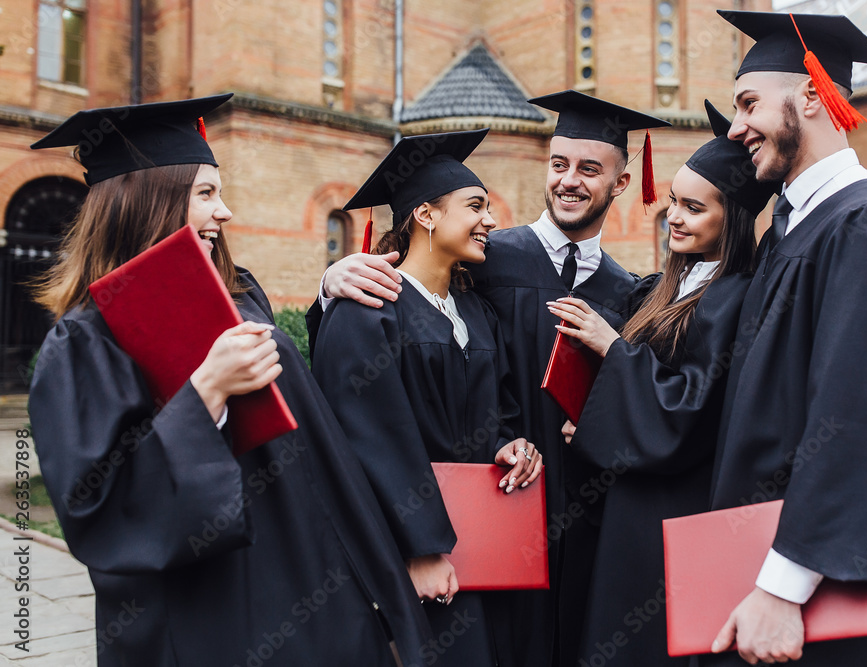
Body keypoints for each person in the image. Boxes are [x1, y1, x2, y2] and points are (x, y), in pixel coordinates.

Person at [27, 94, 433, 666]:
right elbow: (101, 513)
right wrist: (204, 396)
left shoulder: (235, 297)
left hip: (322, 586)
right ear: (149, 202)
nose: (226, 212)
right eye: (206, 194)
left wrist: (327, 289)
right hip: (219, 622)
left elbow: (305, 415)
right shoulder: (86, 344)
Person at [310, 91, 670, 666]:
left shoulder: (628, 293)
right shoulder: (486, 260)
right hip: (483, 529)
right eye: (558, 164)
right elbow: (370, 391)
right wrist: (331, 283)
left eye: (589, 169)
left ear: (621, 184)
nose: (569, 180)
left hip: (587, 531)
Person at [702, 11, 867, 666]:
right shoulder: (793, 230)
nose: (735, 127)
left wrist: (783, 586)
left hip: (819, 591)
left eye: (749, 103)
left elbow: (863, 417)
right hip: (762, 572)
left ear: (810, 94)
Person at [548, 101, 777, 666]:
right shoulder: (668, 286)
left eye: (694, 208)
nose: (674, 216)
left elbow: (691, 409)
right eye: (674, 200)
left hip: (670, 513)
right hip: (634, 504)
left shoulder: (732, 298)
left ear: (734, 219)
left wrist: (611, 347)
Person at [310, 128, 545, 667]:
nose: (490, 220)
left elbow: (499, 412)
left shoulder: (476, 313)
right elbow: (369, 442)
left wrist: (511, 445)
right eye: (475, 206)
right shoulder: (367, 310)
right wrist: (419, 549)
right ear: (426, 215)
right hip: (411, 555)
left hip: (481, 545)